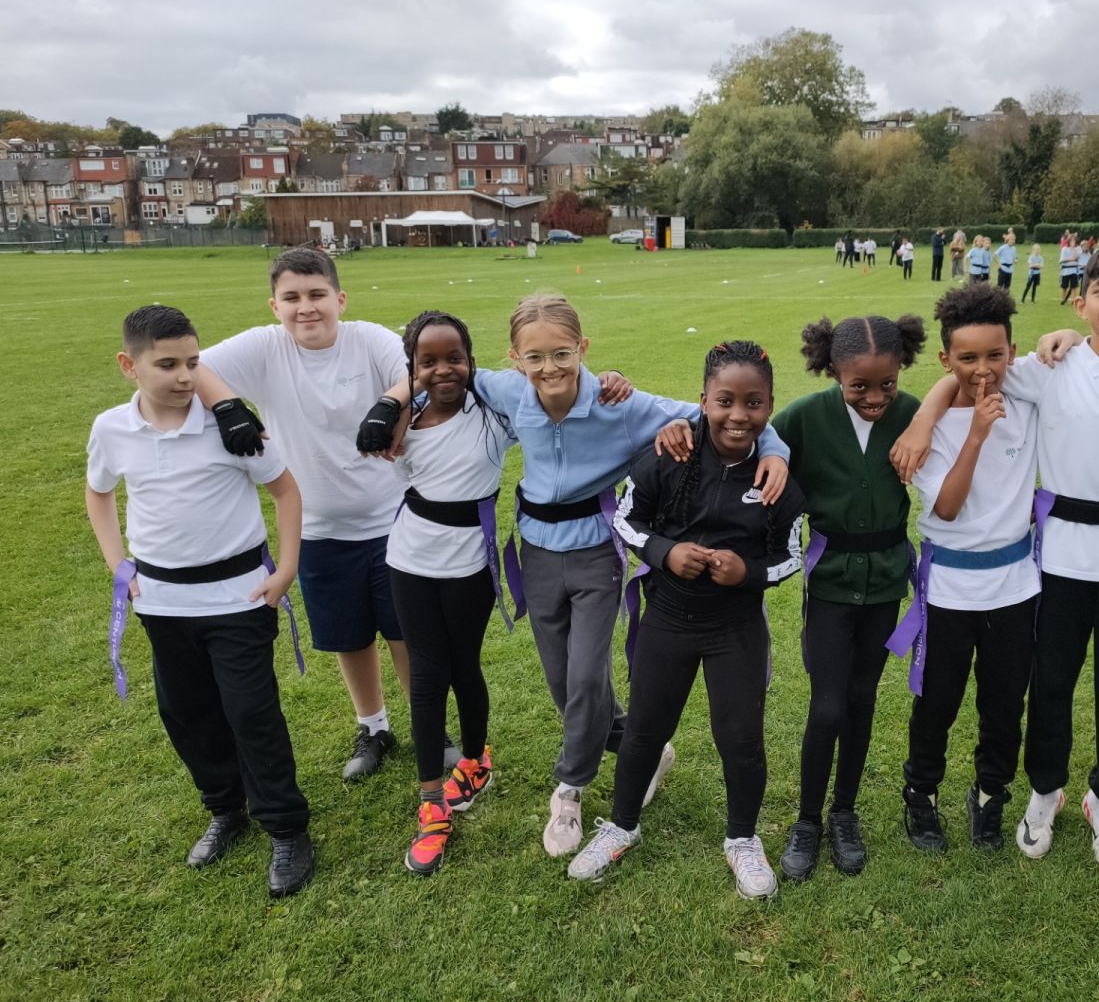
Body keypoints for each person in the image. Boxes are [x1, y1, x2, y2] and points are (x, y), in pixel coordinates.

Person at [371, 295, 790, 858]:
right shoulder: (508, 389)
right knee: (564, 683)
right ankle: (645, 749)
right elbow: (445, 376)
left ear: (583, 349)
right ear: (515, 358)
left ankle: (568, 791)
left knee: (587, 678)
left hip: (595, 556)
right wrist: (390, 402)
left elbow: (719, 414)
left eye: (562, 354)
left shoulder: (619, 403)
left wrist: (777, 449)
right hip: (537, 558)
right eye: (535, 357)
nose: (550, 369)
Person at [894, 245, 1099, 873]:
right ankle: (1042, 791)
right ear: (1080, 300)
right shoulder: (1048, 369)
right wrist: (925, 420)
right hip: (1057, 558)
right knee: (1049, 683)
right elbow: (968, 369)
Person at [85, 305, 313, 897]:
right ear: (127, 366)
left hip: (238, 598)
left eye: (193, 362)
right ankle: (224, 808)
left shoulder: (229, 426)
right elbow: (99, 493)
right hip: (162, 603)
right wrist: (118, 564)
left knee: (250, 712)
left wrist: (286, 566)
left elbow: (286, 492)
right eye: (167, 364)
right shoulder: (112, 429)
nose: (185, 376)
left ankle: (286, 827)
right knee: (186, 712)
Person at [568, 342, 807, 900]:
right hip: (668, 622)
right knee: (646, 728)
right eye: (724, 400)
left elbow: (793, 554)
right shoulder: (668, 452)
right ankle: (622, 825)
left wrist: (747, 572)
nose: (738, 415)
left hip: (736, 630)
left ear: (770, 407)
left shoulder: (775, 478)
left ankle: (743, 839)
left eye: (754, 403)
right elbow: (625, 517)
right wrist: (663, 552)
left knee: (741, 738)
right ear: (703, 399)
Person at [193, 247, 420, 782]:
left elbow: (415, 370)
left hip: (395, 522)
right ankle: (374, 726)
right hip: (317, 529)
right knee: (349, 637)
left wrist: (390, 401)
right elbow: (193, 367)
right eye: (292, 298)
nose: (306, 308)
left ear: (339, 299)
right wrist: (228, 405)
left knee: (406, 632)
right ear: (274, 305)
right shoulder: (265, 348)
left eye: (317, 295)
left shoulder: (368, 339)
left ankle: (429, 724)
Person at [773, 316, 926, 881]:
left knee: (863, 700)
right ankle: (808, 819)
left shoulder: (913, 412)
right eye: (858, 385)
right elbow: (754, 437)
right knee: (828, 704)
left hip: (886, 579)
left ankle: (844, 814)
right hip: (832, 581)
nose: (875, 397)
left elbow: (959, 390)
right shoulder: (808, 417)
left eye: (887, 383)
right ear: (833, 371)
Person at [901, 285, 1039, 855]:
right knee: (938, 699)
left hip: (1015, 586)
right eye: (967, 358)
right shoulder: (924, 430)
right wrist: (974, 431)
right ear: (945, 361)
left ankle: (990, 793)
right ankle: (921, 793)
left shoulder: (1029, 401)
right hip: (950, 588)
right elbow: (950, 506)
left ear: (1012, 352)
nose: (983, 370)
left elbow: (1084, 352)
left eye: (995, 356)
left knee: (1004, 701)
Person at [386, 312, 515, 876]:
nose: (444, 370)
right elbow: (375, 441)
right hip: (409, 558)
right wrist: (402, 394)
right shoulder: (398, 421)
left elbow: (556, 403)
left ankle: (475, 759)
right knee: (426, 675)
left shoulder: (494, 413)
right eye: (428, 361)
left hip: (471, 561)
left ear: (472, 359)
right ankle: (432, 804)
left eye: (454, 358)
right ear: (411, 368)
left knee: (465, 664)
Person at [1059, 234, 1080, 305]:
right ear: (1068, 241)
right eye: (1071, 240)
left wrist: (1073, 249)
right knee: (1064, 286)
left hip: (1074, 270)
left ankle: (1074, 300)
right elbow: (1062, 260)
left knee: (1074, 286)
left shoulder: (1078, 248)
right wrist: (1071, 259)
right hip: (1065, 271)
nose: (1072, 242)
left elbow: (1077, 259)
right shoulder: (1064, 249)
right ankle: (1063, 299)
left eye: (1074, 240)